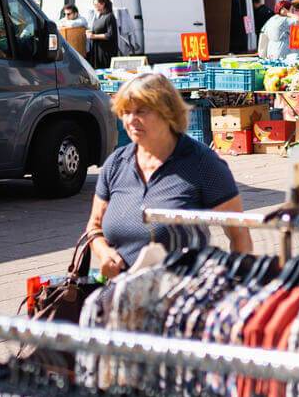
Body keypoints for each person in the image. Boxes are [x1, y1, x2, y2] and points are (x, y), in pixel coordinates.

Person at [86, 73, 252, 279]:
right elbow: (94, 227)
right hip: (123, 291)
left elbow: (238, 234)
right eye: (126, 112)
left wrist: (237, 283)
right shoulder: (116, 164)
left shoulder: (202, 163)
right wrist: (104, 253)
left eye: (141, 111)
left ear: (168, 112)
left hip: (183, 291)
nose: (131, 120)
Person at [87, 0, 117, 68]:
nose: (94, 6)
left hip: (106, 52)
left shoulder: (109, 16)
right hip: (97, 50)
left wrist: (93, 36)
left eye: (96, 4)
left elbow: (110, 35)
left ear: (103, 4)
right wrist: (90, 32)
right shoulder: (100, 16)